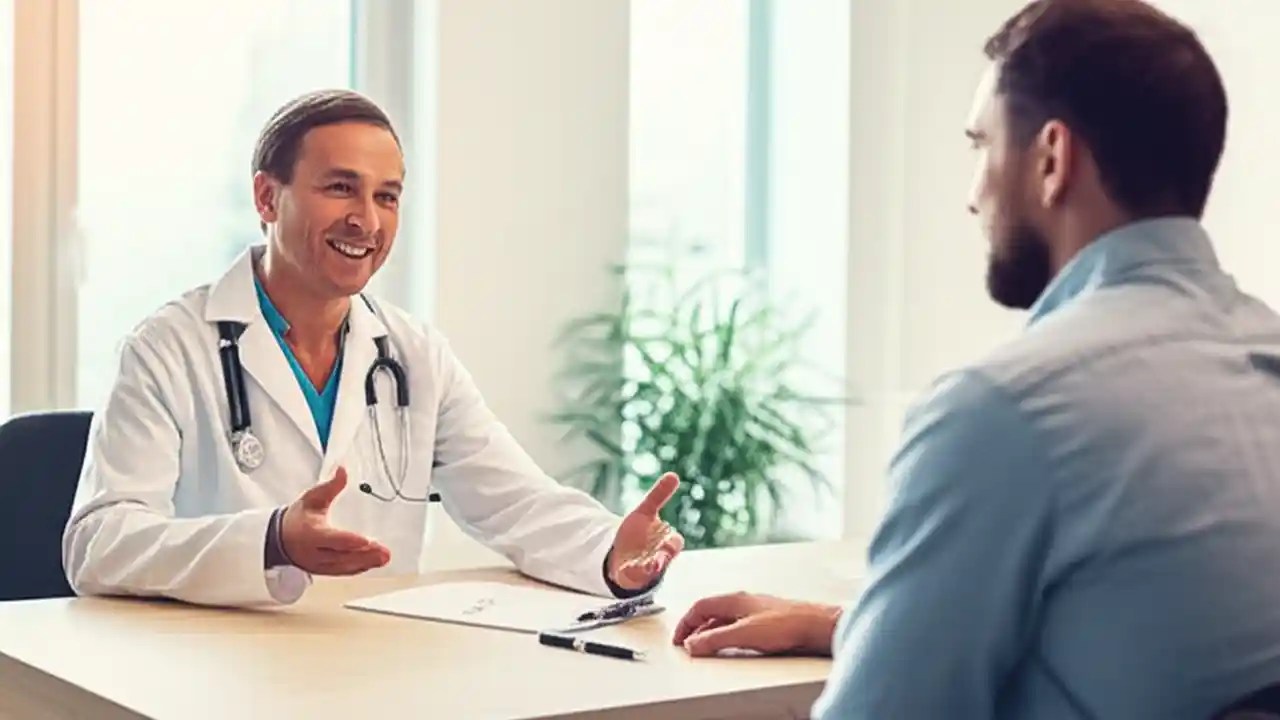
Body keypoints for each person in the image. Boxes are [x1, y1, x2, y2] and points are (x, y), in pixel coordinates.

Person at [674, 0, 1280, 717]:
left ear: (1051, 160)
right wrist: (856, 626)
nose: (972, 197)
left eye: (979, 145)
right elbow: (1145, 643)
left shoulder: (1009, 411)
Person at [62, 89, 684, 608]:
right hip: (212, 670)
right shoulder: (167, 349)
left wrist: (611, 551)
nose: (368, 219)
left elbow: (516, 501)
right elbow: (98, 543)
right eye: (340, 188)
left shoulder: (414, 355)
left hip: (373, 664)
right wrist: (271, 540)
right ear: (266, 198)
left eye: (387, 196)